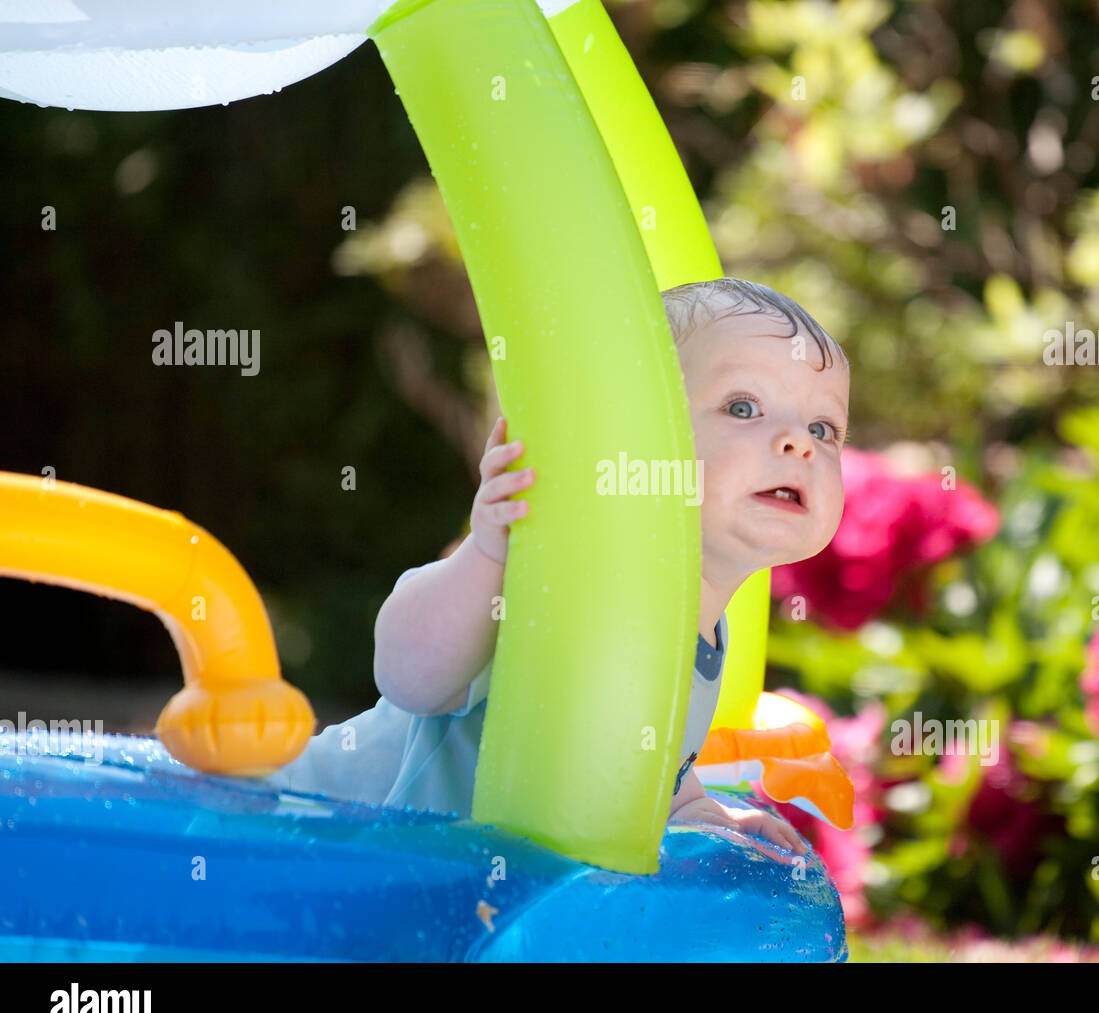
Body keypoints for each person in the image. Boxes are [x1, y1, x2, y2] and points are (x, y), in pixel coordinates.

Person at [264, 278, 851, 856]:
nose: (799, 443)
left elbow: (651, 755)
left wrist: (690, 805)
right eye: (744, 407)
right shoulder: (575, 579)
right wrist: (491, 553)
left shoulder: (703, 625)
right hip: (312, 832)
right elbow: (406, 676)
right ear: (636, 435)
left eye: (823, 428)